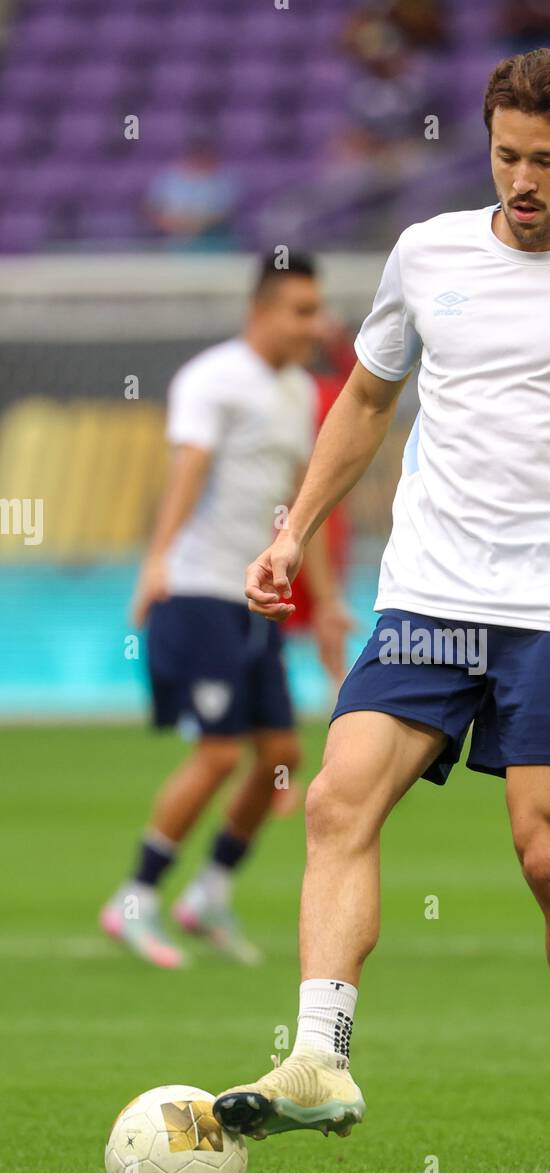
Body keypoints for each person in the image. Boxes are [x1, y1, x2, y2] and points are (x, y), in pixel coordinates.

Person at [214, 50, 550, 1173]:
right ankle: (318, 1055)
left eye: (544, 161)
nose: (520, 181)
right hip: (431, 592)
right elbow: (365, 397)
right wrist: (293, 529)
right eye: (504, 155)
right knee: (338, 798)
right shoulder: (427, 252)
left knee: (546, 851)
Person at [100, 253, 350, 968]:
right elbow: (188, 474)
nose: (315, 324)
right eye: (302, 311)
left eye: (317, 309)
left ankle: (207, 893)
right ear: (261, 312)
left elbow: (303, 512)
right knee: (217, 752)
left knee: (279, 755)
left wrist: (325, 600)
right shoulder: (212, 379)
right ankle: (134, 900)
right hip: (198, 590)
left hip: (254, 600)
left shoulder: (301, 392)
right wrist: (156, 562)